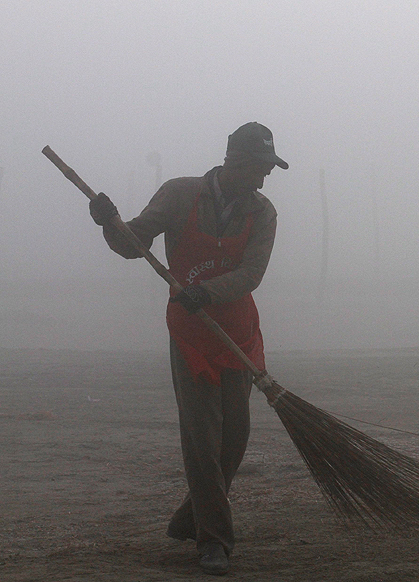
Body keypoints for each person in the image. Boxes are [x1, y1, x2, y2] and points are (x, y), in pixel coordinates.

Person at [88, 122, 287, 575]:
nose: (264, 179)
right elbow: (133, 243)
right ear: (235, 162)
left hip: (237, 335)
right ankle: (213, 541)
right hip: (192, 336)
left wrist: (208, 292)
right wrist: (108, 223)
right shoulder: (179, 195)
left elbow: (252, 274)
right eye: (260, 168)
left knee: (233, 442)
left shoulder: (264, 212)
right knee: (202, 441)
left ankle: (190, 516)